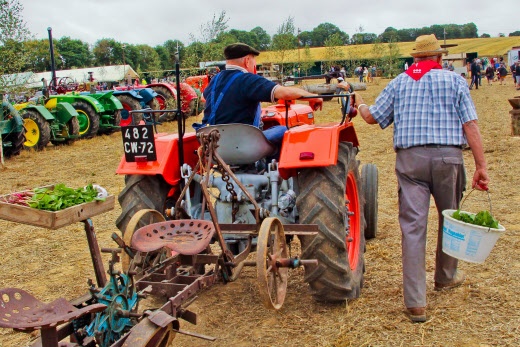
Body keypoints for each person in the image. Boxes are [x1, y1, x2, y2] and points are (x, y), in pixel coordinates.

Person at [347, 34, 489, 323]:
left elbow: (373, 118)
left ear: (415, 59)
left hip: (410, 161)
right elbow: (470, 125)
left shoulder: (399, 83)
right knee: (450, 218)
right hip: (449, 158)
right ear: (438, 58)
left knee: (413, 228)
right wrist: (481, 166)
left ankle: (415, 302)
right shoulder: (455, 81)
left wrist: (360, 103)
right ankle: (446, 276)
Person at [197, 43, 323, 149]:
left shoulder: (215, 80)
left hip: (213, 143)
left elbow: (204, 98)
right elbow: (284, 93)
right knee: (286, 130)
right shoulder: (248, 80)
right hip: (244, 145)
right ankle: (279, 172)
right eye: (254, 61)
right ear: (247, 61)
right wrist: (312, 96)